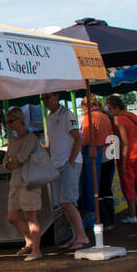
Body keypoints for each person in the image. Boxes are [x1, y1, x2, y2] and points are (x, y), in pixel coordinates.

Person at [41, 92, 90, 250]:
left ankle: (81, 235)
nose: (45, 101)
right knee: (64, 202)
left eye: (47, 97)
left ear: (56, 96)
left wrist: (71, 160)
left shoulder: (67, 114)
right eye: (43, 98)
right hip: (58, 164)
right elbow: (53, 142)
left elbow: (78, 138)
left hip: (68, 163)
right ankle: (76, 235)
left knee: (67, 201)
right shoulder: (50, 117)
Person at [105, 96, 137, 223]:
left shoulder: (119, 120)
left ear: (116, 107)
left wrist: (122, 162)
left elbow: (125, 142)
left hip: (129, 155)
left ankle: (133, 216)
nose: (110, 112)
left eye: (110, 109)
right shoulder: (134, 116)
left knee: (128, 185)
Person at [2, 106, 44, 261]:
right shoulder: (13, 141)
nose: (9, 124)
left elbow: (21, 158)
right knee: (12, 217)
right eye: (8, 122)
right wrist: (13, 162)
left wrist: (13, 162)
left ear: (20, 120)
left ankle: (36, 249)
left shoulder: (30, 138)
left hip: (28, 181)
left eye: (11, 121)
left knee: (30, 216)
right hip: (16, 182)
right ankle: (30, 242)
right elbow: (6, 162)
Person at [78, 95, 116, 230]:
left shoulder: (89, 117)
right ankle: (110, 219)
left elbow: (86, 139)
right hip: (109, 154)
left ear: (84, 106)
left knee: (96, 190)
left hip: (97, 157)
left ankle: (103, 220)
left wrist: (76, 145)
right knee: (106, 189)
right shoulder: (104, 115)